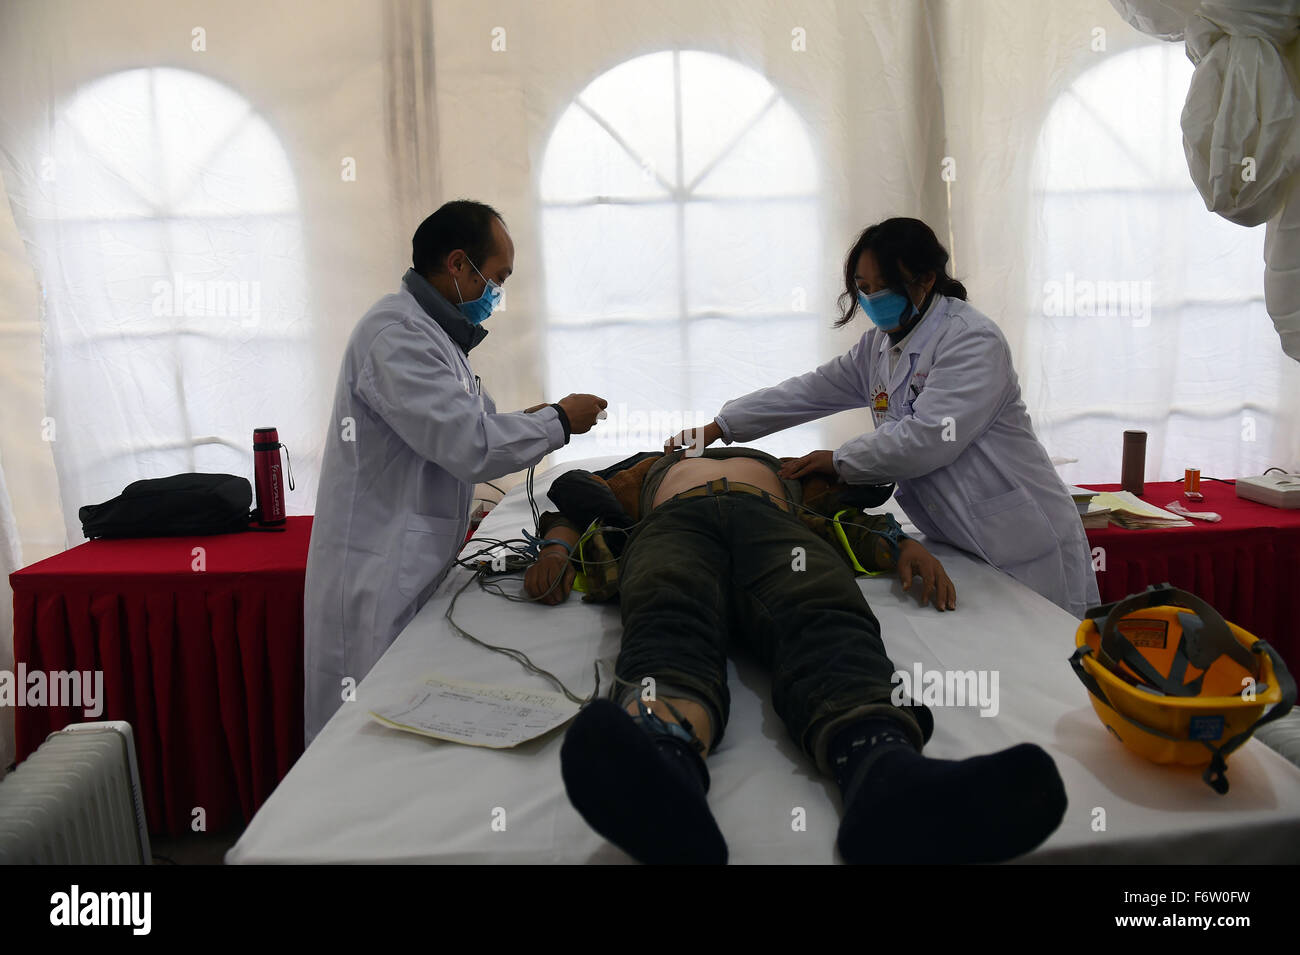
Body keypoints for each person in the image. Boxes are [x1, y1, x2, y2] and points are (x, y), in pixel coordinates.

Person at [525, 447, 1067, 865]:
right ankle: (664, 774)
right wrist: (556, 549)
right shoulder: (644, 470)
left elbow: (850, 511)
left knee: (823, 608)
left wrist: (903, 544)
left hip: (773, 523)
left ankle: (887, 776)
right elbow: (574, 498)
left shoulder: (789, 468)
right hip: (672, 524)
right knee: (666, 603)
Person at [668, 217, 1099, 619]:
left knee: (1048, 660)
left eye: (883, 287)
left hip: (1023, 542)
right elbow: (811, 389)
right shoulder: (878, 346)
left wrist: (837, 461)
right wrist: (721, 427)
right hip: (957, 538)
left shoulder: (971, 341)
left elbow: (929, 438)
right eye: (862, 287)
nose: (871, 299)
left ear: (926, 279)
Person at [303, 200, 606, 745]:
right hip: (378, 570)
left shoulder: (437, 339)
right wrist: (561, 420)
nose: (498, 293)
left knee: (400, 722)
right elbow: (470, 445)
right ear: (459, 264)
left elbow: (479, 422)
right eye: (497, 278)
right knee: (363, 735)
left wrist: (539, 417)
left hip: (411, 560)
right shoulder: (394, 334)